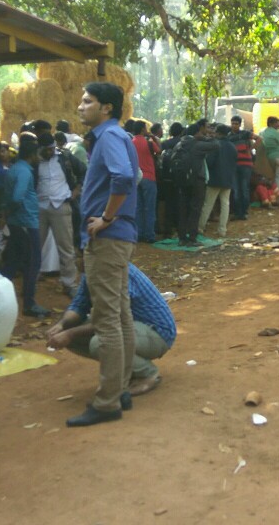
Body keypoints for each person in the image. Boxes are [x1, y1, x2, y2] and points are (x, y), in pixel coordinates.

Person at [68, 82, 140, 427]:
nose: (81, 107)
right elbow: (133, 175)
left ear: (106, 108)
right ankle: (121, 389)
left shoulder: (108, 136)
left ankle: (108, 400)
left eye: (87, 101)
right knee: (121, 313)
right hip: (119, 235)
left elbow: (125, 178)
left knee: (108, 317)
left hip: (108, 236)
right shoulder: (118, 136)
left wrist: (107, 217)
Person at [47, 265, 176, 397]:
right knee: (71, 329)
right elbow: (79, 304)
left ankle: (147, 374)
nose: (76, 261)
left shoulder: (114, 271)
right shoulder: (93, 269)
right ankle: (129, 370)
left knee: (102, 342)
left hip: (157, 332)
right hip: (133, 327)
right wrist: (62, 325)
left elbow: (110, 319)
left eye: (79, 255)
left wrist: (70, 333)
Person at [2, 140, 47, 318]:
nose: (38, 157)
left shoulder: (15, 168)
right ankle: (29, 303)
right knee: (32, 262)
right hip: (25, 222)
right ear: (31, 155)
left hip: (17, 221)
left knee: (13, 262)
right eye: (36, 154)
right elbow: (17, 197)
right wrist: (11, 213)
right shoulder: (24, 172)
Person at [36, 132, 80, 296]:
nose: (50, 151)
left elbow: (83, 170)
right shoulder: (35, 161)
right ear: (40, 148)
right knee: (35, 245)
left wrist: (75, 191)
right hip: (40, 206)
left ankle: (69, 283)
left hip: (60, 205)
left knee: (66, 246)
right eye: (47, 149)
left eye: (52, 148)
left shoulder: (64, 158)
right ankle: (32, 277)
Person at [173, 121, 219, 246]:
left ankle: (182, 238)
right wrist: (206, 137)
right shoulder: (197, 144)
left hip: (181, 180)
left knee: (183, 209)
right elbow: (216, 145)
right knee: (195, 209)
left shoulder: (179, 144)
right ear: (197, 133)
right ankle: (192, 237)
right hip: (197, 180)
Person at [199, 124, 237, 238]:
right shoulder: (232, 146)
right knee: (225, 204)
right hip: (228, 179)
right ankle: (222, 230)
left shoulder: (215, 145)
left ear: (219, 133)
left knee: (208, 204)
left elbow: (209, 162)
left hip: (215, 179)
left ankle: (200, 227)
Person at [131, 120, 161, 243]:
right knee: (150, 207)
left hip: (136, 178)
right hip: (149, 177)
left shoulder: (131, 142)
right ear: (143, 130)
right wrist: (153, 137)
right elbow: (159, 151)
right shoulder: (148, 142)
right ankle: (149, 235)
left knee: (138, 207)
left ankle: (139, 234)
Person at [229, 115, 257, 221]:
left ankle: (244, 212)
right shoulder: (228, 137)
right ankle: (238, 213)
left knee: (244, 189)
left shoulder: (245, 134)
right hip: (235, 165)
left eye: (236, 124)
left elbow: (259, 138)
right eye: (233, 123)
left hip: (246, 165)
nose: (234, 125)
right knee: (236, 190)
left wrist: (250, 149)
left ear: (240, 125)